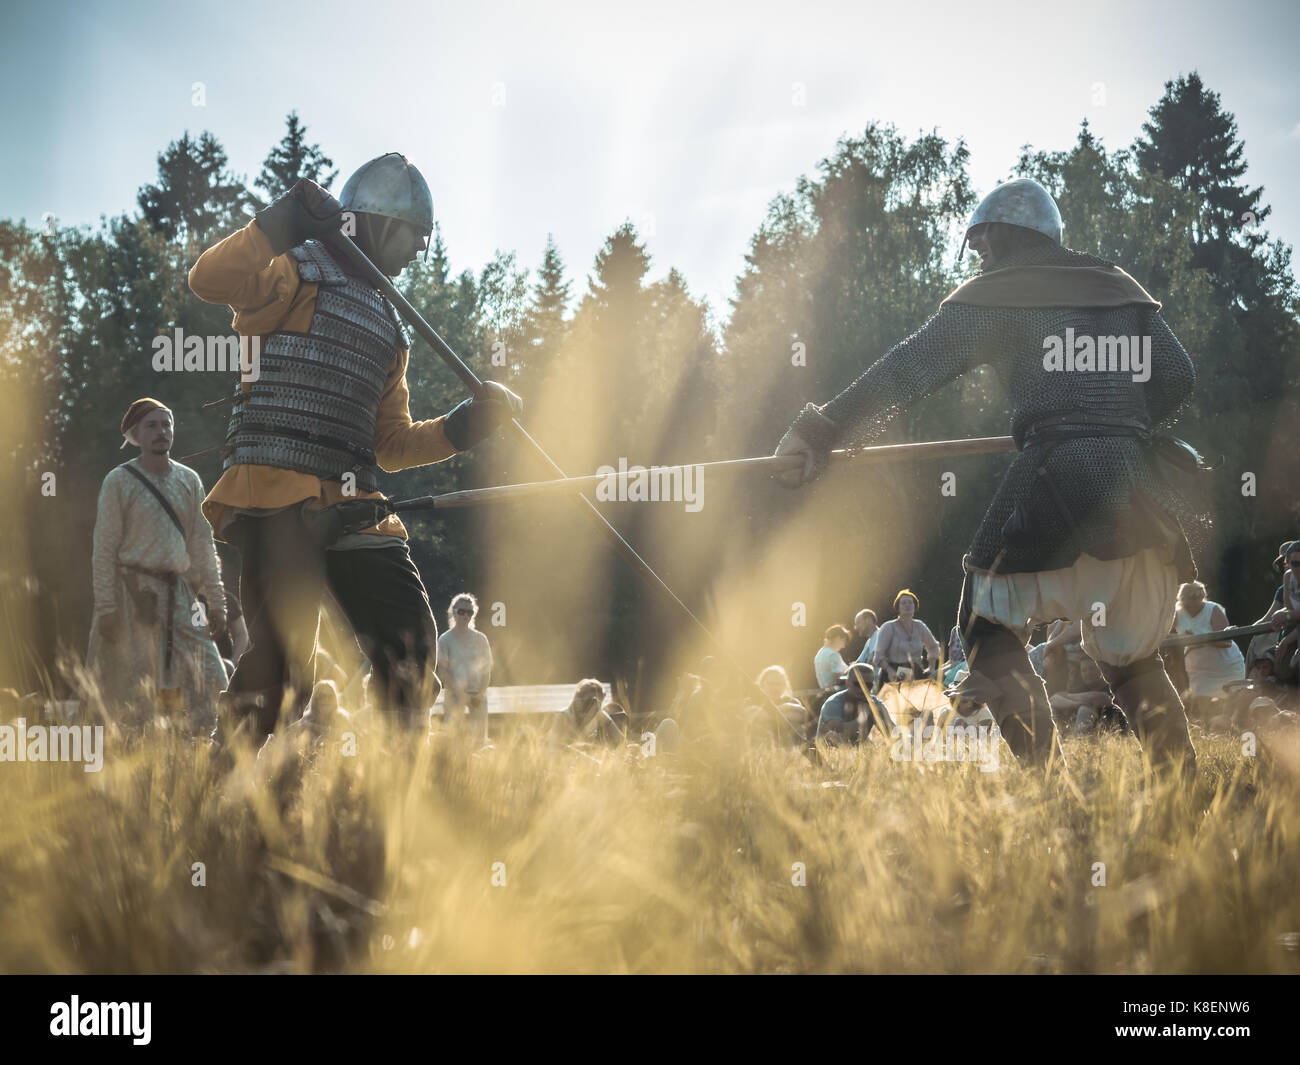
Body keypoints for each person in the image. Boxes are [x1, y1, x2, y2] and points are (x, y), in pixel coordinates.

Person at [775, 177, 1204, 779]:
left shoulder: (1004, 293)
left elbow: (908, 369)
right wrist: (1118, 423)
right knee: (1133, 659)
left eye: (982, 248)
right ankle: (1183, 786)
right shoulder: (1116, 287)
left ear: (1002, 240)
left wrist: (818, 432)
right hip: (1135, 491)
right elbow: (1178, 377)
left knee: (982, 628)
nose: (979, 259)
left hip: (1055, 475)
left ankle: (1049, 781)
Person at [189, 155, 522, 743]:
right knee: (283, 668)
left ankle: (396, 796)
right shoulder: (297, 272)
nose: (420, 252)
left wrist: (466, 426)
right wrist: (279, 222)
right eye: (414, 236)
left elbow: (390, 446)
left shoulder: (392, 329)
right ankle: (218, 786)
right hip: (277, 496)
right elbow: (208, 281)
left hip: (352, 503)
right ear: (376, 223)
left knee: (412, 649)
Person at [86, 399, 228, 732]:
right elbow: (104, 549)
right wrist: (107, 607)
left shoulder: (189, 480)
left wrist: (217, 604)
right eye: (152, 425)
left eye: (166, 424)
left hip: (178, 596)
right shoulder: (118, 481)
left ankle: (200, 757)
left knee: (212, 679)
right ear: (135, 434)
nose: (161, 431)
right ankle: (131, 771)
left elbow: (202, 545)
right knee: (130, 692)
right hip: (129, 595)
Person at [1174, 581, 1245, 720]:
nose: (1193, 604)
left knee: (1229, 707)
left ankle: (1228, 733)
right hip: (1199, 669)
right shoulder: (1177, 613)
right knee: (1201, 707)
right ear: (1183, 600)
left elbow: (1226, 641)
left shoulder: (1213, 609)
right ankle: (1206, 735)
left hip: (1226, 666)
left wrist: (1198, 639)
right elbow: (1167, 635)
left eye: (1197, 599)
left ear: (1202, 597)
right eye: (1189, 601)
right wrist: (1182, 638)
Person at [435, 593, 493, 742]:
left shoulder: (481, 639)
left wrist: (480, 692)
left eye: (470, 612)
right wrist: (461, 694)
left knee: (479, 740)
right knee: (454, 740)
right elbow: (442, 671)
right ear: (453, 612)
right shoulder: (444, 639)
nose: (465, 615)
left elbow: (487, 669)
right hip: (454, 696)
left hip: (478, 696)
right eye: (461, 611)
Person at [870, 590, 941, 683]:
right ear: (898, 607)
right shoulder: (888, 627)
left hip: (916, 673)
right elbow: (879, 655)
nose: (907, 605)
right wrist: (889, 670)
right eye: (903, 603)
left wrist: (931, 667)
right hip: (892, 675)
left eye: (910, 602)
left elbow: (933, 647)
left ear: (915, 606)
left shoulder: (920, 626)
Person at [746, 665, 811, 743]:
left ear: (784, 686)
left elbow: (800, 714)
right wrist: (782, 712)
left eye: (778, 684)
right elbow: (748, 716)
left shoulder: (792, 701)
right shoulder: (751, 702)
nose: (774, 687)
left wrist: (766, 714)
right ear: (762, 684)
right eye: (771, 683)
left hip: (788, 746)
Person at [814, 625, 851, 690]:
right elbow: (837, 677)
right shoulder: (832, 654)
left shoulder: (820, 653)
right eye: (843, 641)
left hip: (825, 690)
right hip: (836, 691)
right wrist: (851, 669)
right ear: (837, 638)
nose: (843, 646)